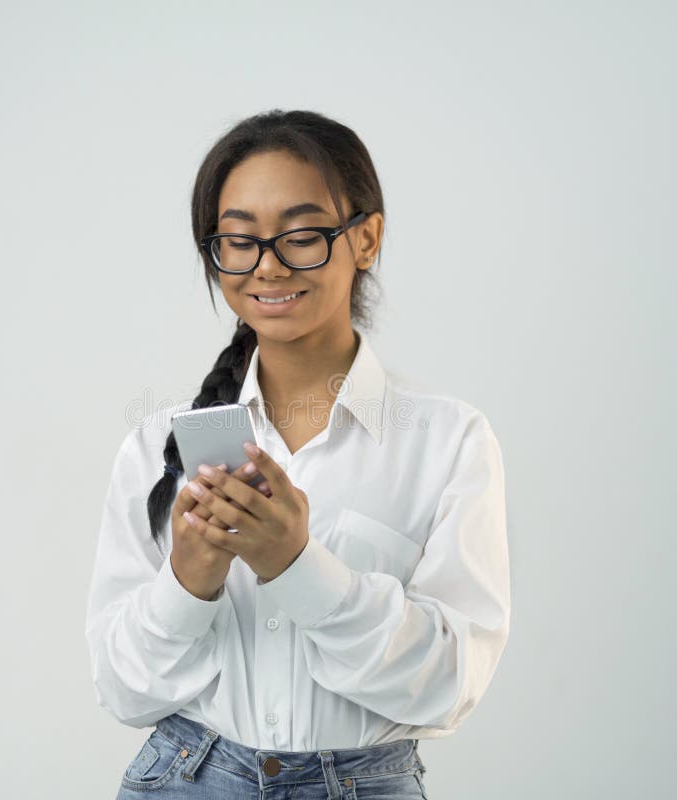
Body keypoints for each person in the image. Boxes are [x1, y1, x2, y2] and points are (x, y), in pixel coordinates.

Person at [84, 109, 510, 800]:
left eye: (303, 235)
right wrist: (188, 580)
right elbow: (122, 690)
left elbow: (449, 686)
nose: (269, 266)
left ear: (366, 238)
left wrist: (297, 566)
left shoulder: (448, 440)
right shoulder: (156, 446)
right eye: (239, 241)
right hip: (185, 779)